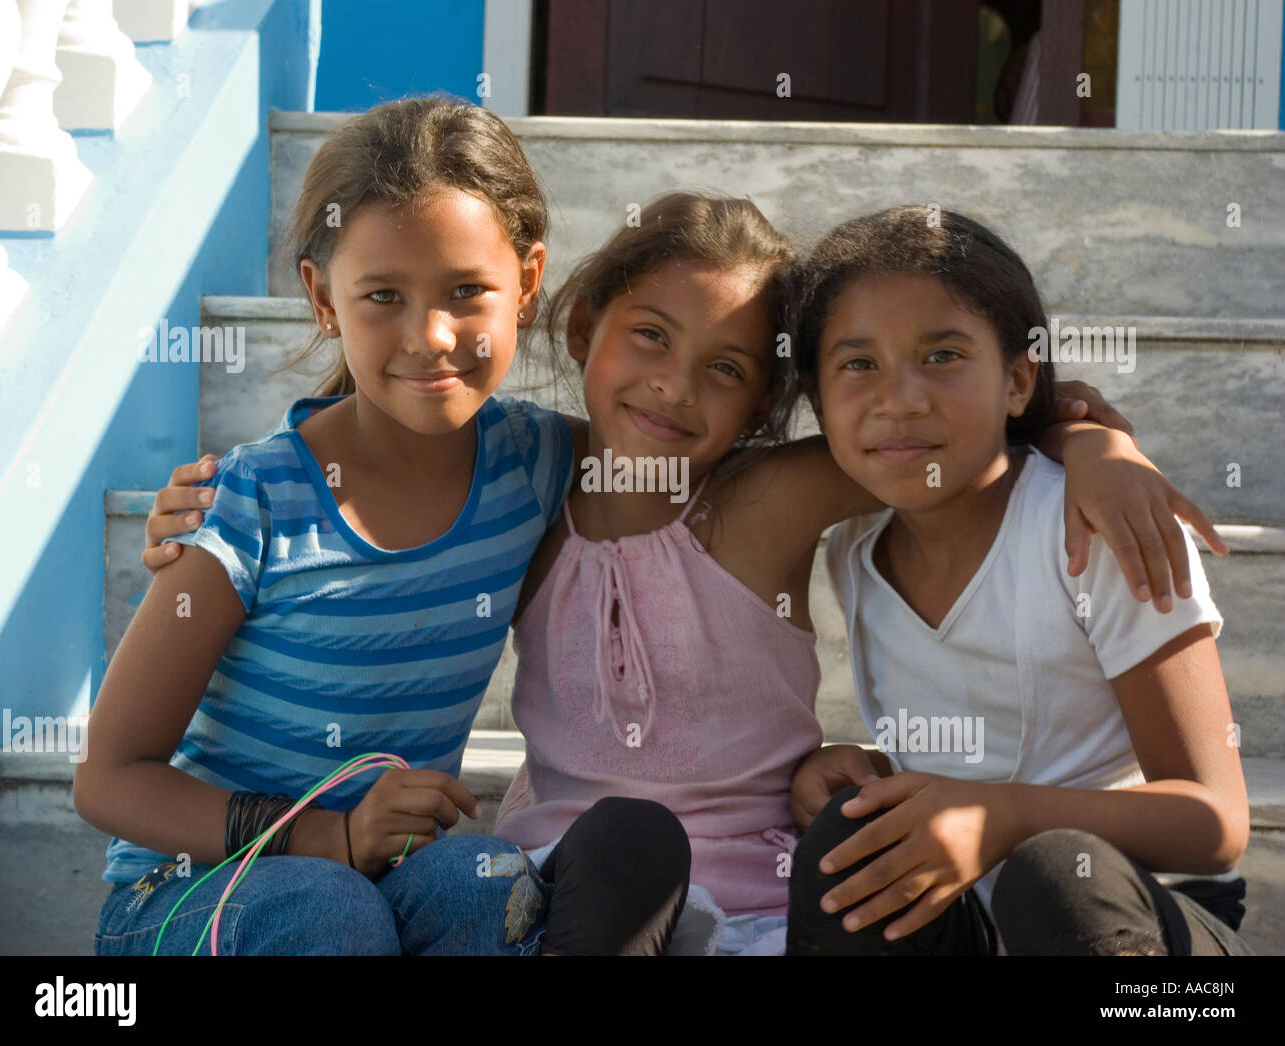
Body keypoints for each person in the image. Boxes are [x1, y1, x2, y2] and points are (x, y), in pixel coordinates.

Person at [145, 193, 1226, 954]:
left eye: (725, 369)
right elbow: (385, 461)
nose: (673, 388)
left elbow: (932, 435)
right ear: (580, 328)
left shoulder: (770, 499)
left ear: (763, 404)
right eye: (647, 339)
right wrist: (223, 501)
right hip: (580, 882)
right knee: (617, 842)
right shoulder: (526, 485)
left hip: (767, 890)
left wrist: (1090, 439)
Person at [75, 94, 691, 957]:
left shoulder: (535, 465)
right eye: (383, 296)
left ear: (529, 281)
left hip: (375, 882)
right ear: (322, 300)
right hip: (187, 896)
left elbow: (689, 472)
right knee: (328, 909)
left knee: (485, 880)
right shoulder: (249, 505)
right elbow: (108, 778)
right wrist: (329, 838)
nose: (431, 336)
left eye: (468, 292)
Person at [786, 205, 1251, 956]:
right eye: (858, 363)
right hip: (974, 915)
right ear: (817, 400)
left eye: (942, 355)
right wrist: (875, 774)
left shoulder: (1096, 528)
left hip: (1143, 919)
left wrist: (1004, 816)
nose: (899, 397)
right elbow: (969, 764)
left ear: (1017, 380)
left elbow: (1217, 825)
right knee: (848, 845)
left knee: (1055, 873)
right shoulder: (853, 549)